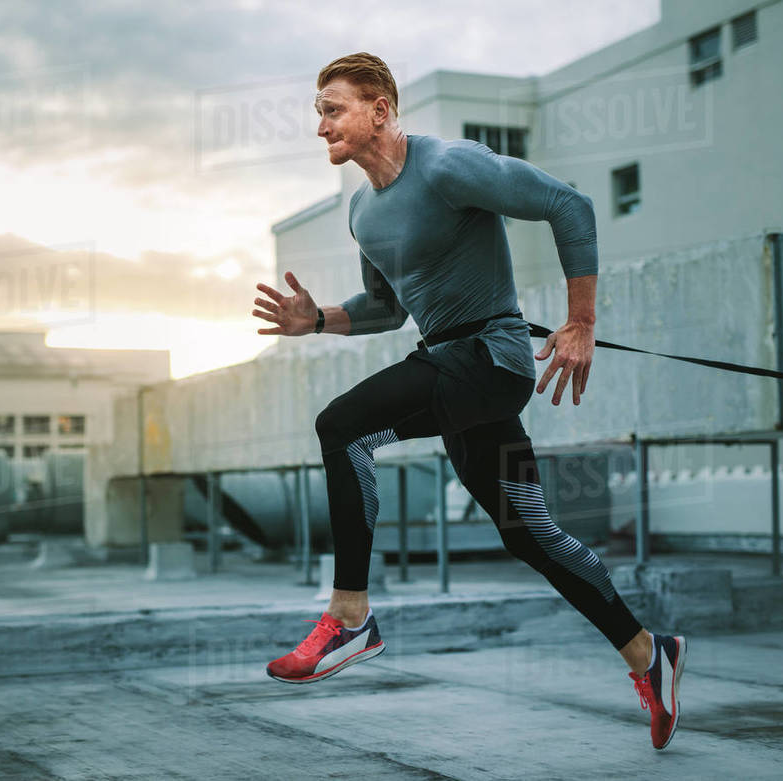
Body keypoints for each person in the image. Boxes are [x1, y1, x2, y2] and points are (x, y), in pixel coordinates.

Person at [252, 52, 685, 750]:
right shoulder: (363, 213)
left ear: (381, 110)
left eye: (332, 108)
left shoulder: (450, 166)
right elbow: (386, 308)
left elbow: (567, 205)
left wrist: (582, 322)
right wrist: (318, 319)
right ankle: (648, 653)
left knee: (342, 428)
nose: (321, 124)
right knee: (529, 532)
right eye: (318, 112)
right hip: (452, 370)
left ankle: (350, 616)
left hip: (490, 358)